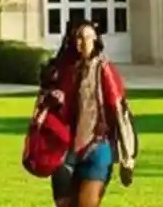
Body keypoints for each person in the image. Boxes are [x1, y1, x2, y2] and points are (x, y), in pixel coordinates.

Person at [38, 20, 137, 207]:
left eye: (87, 38)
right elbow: (44, 105)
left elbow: (120, 112)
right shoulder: (62, 70)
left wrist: (127, 157)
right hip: (64, 149)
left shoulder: (103, 69)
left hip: (96, 148)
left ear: (96, 41)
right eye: (78, 38)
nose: (81, 43)